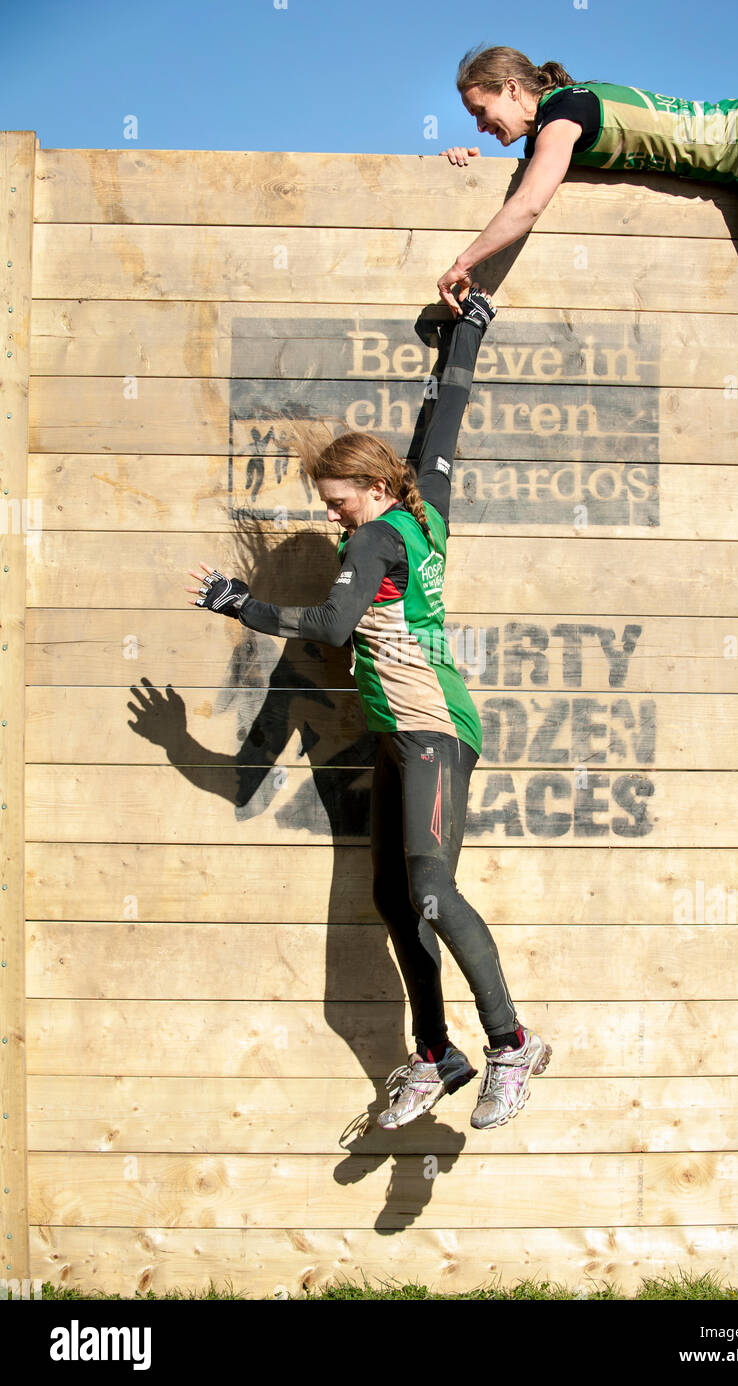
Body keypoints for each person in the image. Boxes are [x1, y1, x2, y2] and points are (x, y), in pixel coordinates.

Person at [185, 285, 551, 1132]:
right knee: (394, 896)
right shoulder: (423, 513)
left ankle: (511, 1042)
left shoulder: (380, 536)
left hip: (429, 728)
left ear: (374, 485)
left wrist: (241, 604)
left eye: (334, 496)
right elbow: (443, 428)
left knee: (428, 889)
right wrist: (466, 339)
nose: (328, 510)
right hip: (400, 735)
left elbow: (331, 624)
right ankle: (435, 1054)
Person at [436, 46, 738, 330]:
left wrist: (463, 262)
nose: (478, 125)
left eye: (481, 110)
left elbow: (528, 203)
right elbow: (528, 181)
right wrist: (463, 168)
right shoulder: (560, 115)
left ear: (511, 88)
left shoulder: (563, 114)